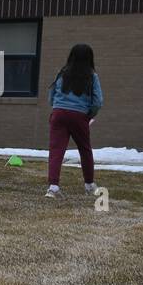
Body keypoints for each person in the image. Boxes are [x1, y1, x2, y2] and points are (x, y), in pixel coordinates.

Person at [45, 43, 103, 199]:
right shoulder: (92, 76)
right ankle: (89, 185)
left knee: (56, 150)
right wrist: (89, 115)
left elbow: (51, 95)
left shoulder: (62, 73)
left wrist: (57, 107)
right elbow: (98, 102)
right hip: (79, 116)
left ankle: (53, 187)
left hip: (58, 114)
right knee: (85, 150)